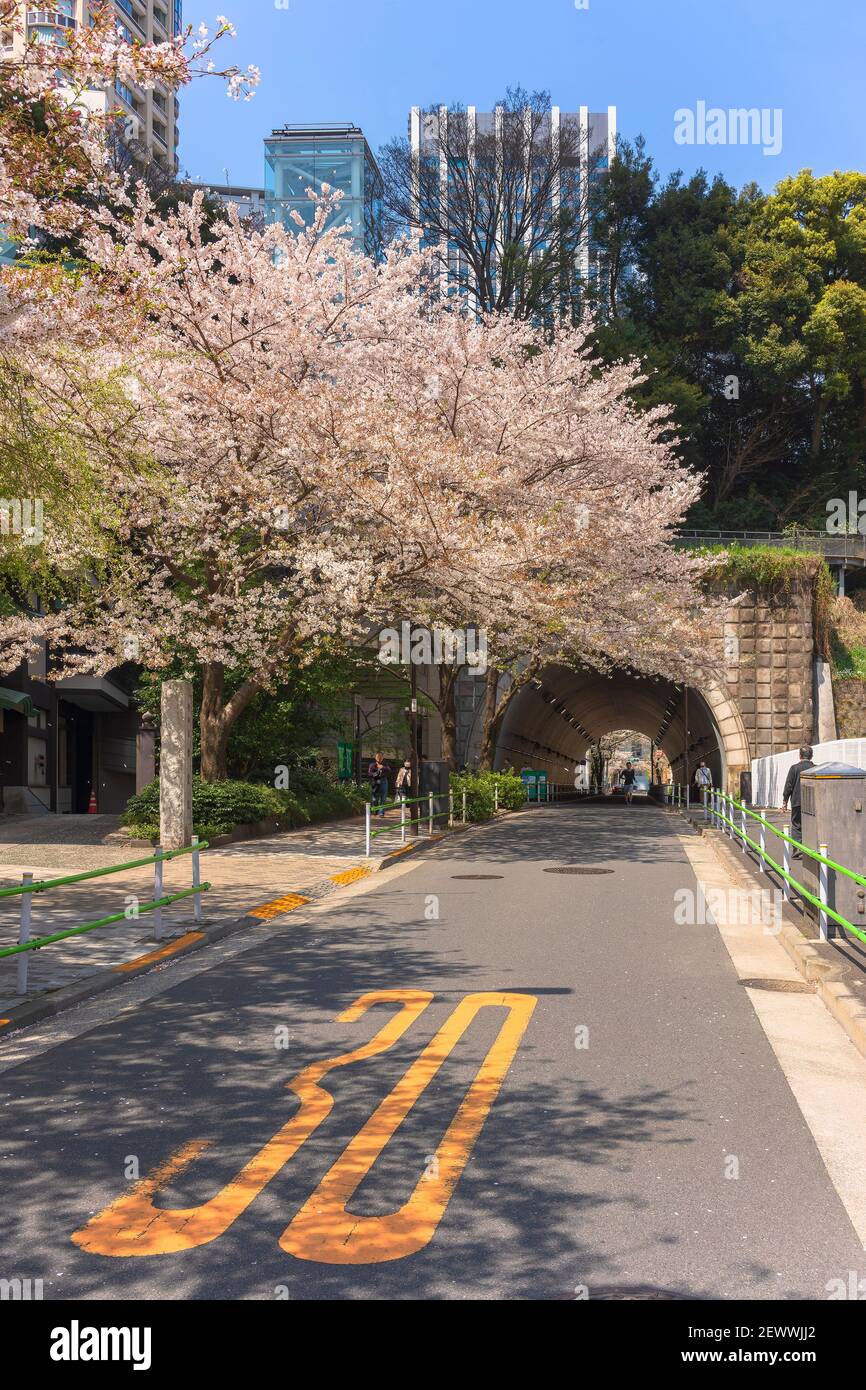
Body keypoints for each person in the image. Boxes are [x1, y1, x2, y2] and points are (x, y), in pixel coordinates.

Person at [781, 744, 815, 858]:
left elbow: (788, 786)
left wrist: (785, 802)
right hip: (812, 802)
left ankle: (797, 850)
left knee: (796, 825)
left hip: (797, 801)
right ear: (811, 756)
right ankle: (811, 850)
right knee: (810, 825)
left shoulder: (794, 768)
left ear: (800, 755)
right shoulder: (816, 768)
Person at [368, 751, 390, 817]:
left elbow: (389, 770)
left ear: (383, 758)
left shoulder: (385, 764)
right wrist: (376, 773)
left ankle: (381, 813)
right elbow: (369, 773)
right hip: (375, 782)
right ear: (375, 757)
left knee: (383, 798)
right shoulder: (372, 765)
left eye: (380, 757)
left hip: (384, 781)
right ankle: (375, 810)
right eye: (378, 757)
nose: (379, 758)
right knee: (375, 798)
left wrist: (382, 767)